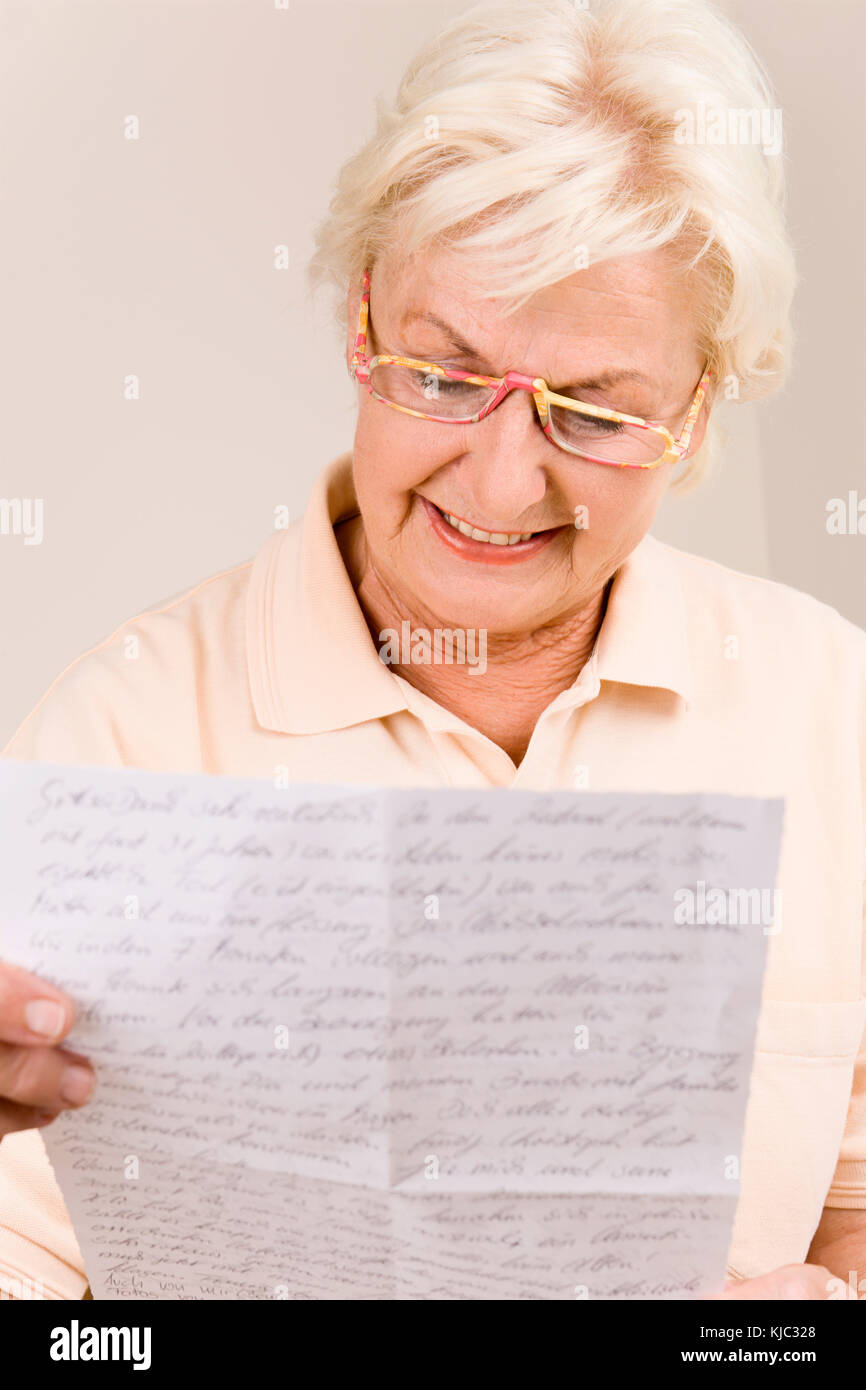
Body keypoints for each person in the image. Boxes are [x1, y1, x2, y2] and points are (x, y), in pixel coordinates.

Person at [1, 0, 864, 1301]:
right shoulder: (121, 737)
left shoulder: (827, 705)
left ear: (694, 406)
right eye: (444, 375)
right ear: (361, 316)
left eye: (594, 410)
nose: (502, 483)